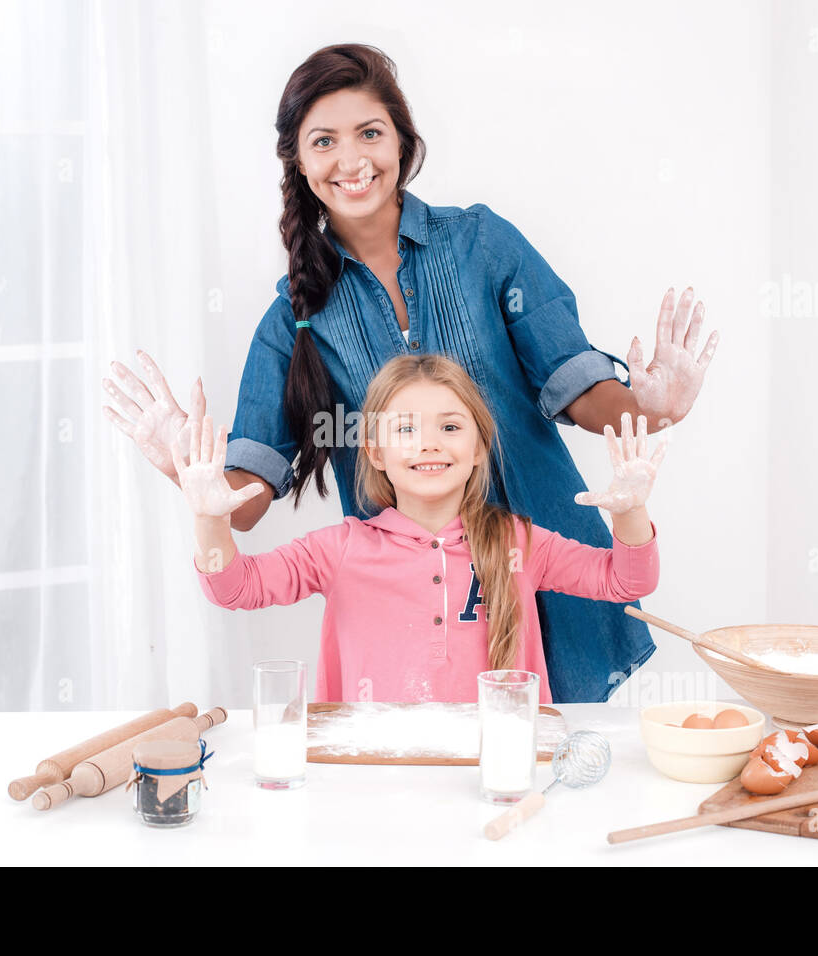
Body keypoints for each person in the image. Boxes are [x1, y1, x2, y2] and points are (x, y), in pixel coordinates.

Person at [101, 43, 716, 701]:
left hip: (542, 558)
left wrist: (649, 411)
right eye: (324, 141)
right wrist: (190, 474)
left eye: (370, 133)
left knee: (539, 759)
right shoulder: (295, 316)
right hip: (404, 593)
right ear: (299, 162)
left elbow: (573, 380)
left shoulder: (483, 243)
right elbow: (245, 500)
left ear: (402, 140)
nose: (352, 159)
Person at [175, 354, 663, 704]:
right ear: (376, 452)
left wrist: (629, 512)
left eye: (450, 427)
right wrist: (209, 520)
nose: (429, 443)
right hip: (375, 776)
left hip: (497, 770)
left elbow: (627, 582)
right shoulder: (340, 549)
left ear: (478, 448)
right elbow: (235, 588)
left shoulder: (518, 541)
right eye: (406, 429)